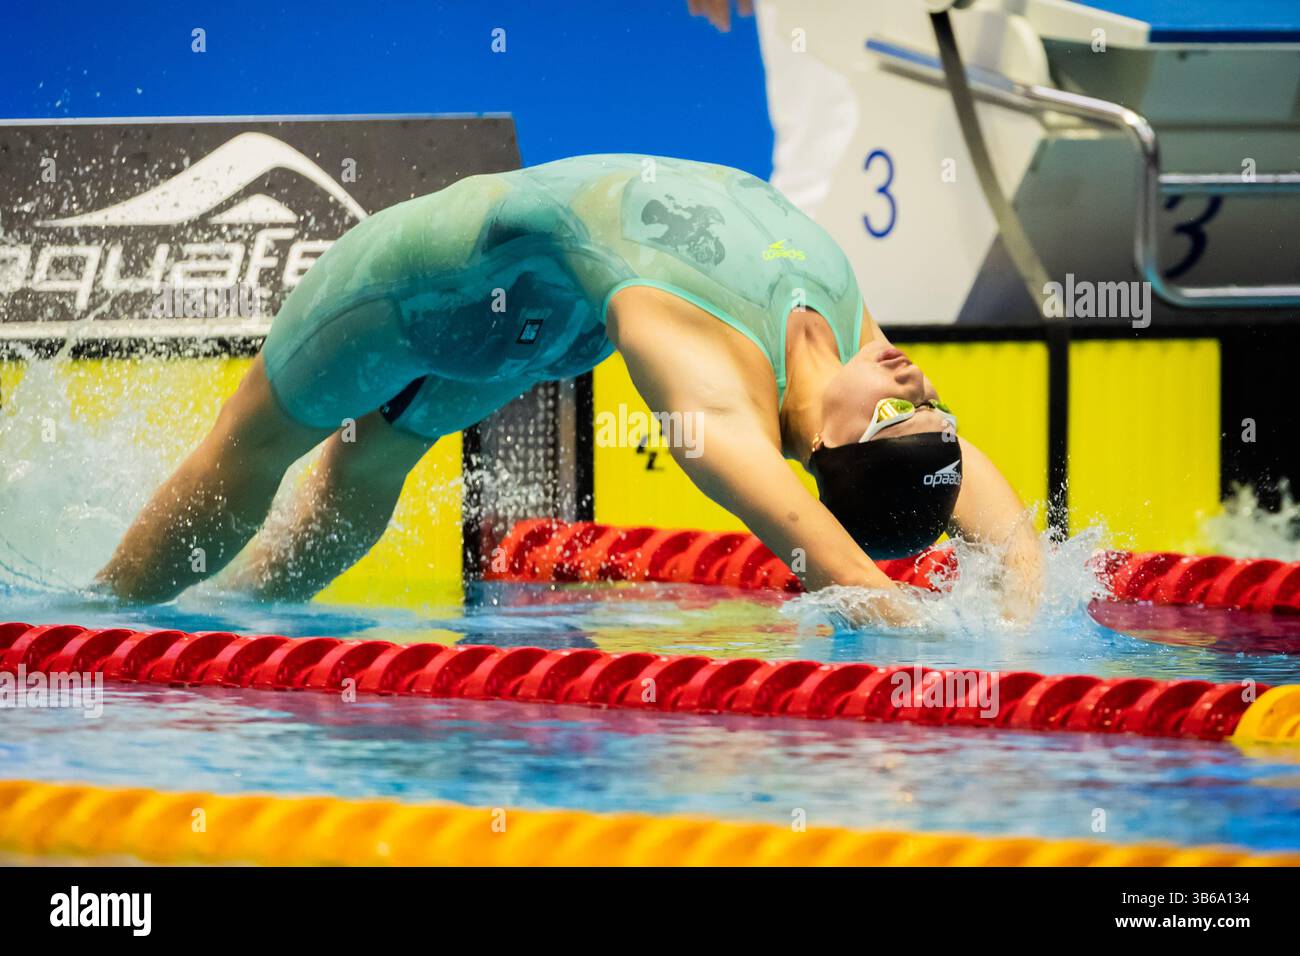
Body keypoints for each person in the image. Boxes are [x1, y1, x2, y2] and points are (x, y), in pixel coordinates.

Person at [95, 154, 1041, 620]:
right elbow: (985, 506)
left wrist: (896, 619)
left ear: (830, 447)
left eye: (895, 414)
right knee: (284, 453)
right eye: (928, 408)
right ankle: (137, 606)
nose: (912, 382)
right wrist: (1014, 623)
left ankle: (156, 617)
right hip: (463, 288)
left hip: (478, 313)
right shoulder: (845, 341)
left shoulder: (711, 380)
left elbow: (802, 533)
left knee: (346, 462)